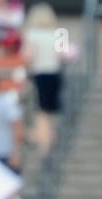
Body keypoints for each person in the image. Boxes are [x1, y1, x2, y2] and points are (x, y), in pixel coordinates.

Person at [23, 4, 65, 155]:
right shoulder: (59, 33)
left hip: (40, 74)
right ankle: (48, 140)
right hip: (55, 74)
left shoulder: (32, 34)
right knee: (50, 112)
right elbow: (63, 55)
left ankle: (44, 146)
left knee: (41, 113)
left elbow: (29, 56)